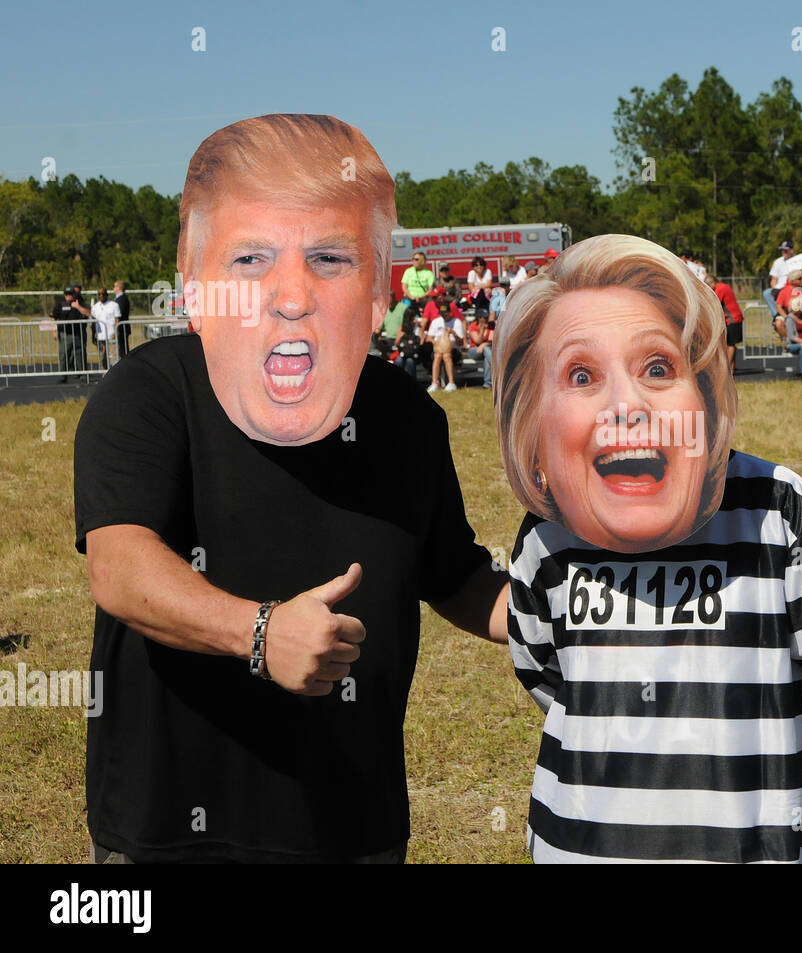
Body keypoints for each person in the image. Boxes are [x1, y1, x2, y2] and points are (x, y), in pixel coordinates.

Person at [72, 113, 508, 864]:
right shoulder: (150, 391)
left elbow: (454, 574)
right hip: (171, 834)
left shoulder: (407, 418)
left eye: (331, 258)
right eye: (250, 258)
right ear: (194, 283)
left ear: (378, 288)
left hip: (352, 827)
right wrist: (261, 634)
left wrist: (556, 616)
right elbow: (119, 564)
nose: (291, 295)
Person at [493, 233, 802, 863]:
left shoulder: (777, 511)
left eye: (658, 368)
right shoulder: (547, 535)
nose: (626, 405)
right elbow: (550, 676)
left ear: (707, 389)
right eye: (581, 375)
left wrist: (765, 767)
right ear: (533, 415)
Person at [764, 240, 802, 319]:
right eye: (782, 250)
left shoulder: (798, 260)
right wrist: (774, 287)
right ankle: (776, 315)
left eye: (786, 250)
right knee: (767, 293)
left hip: (794, 285)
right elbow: (774, 279)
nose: (783, 252)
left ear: (791, 250)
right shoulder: (778, 262)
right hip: (780, 287)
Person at [51, 286, 91, 383]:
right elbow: (53, 318)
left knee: (79, 354)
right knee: (63, 354)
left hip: (78, 333)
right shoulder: (60, 305)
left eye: (70, 294)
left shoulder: (80, 303)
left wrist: (77, 307)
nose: (68, 296)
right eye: (66, 294)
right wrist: (54, 331)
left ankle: (82, 374)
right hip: (65, 334)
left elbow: (88, 313)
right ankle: (63, 375)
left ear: (74, 295)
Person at [711, 273, 744, 374]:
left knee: (730, 344)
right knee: (730, 344)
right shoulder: (724, 286)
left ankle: (728, 368)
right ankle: (731, 367)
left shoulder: (720, 289)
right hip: (734, 318)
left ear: (712, 283)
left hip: (732, 319)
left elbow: (715, 303)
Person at [90, 287, 121, 369]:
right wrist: (93, 335)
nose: (101, 296)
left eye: (103, 294)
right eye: (99, 294)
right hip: (100, 337)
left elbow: (117, 320)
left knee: (113, 358)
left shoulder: (114, 305)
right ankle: (104, 376)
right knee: (102, 358)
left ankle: (115, 375)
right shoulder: (95, 307)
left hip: (111, 336)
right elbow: (93, 322)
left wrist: (115, 332)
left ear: (107, 295)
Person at [465, 310, 493, 389]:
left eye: (487, 316)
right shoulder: (473, 326)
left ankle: (487, 384)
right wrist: (482, 330)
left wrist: (484, 344)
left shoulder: (491, 325)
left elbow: (491, 340)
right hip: (474, 350)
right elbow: (477, 341)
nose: (487, 318)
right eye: (484, 317)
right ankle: (495, 365)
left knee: (487, 357)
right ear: (479, 318)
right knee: (486, 350)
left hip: (487, 351)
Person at [113, 280, 132, 359]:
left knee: (123, 350)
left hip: (121, 328)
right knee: (121, 349)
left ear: (119, 288)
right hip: (120, 328)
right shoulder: (119, 299)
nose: (113, 288)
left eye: (114, 286)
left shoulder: (122, 299)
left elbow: (119, 314)